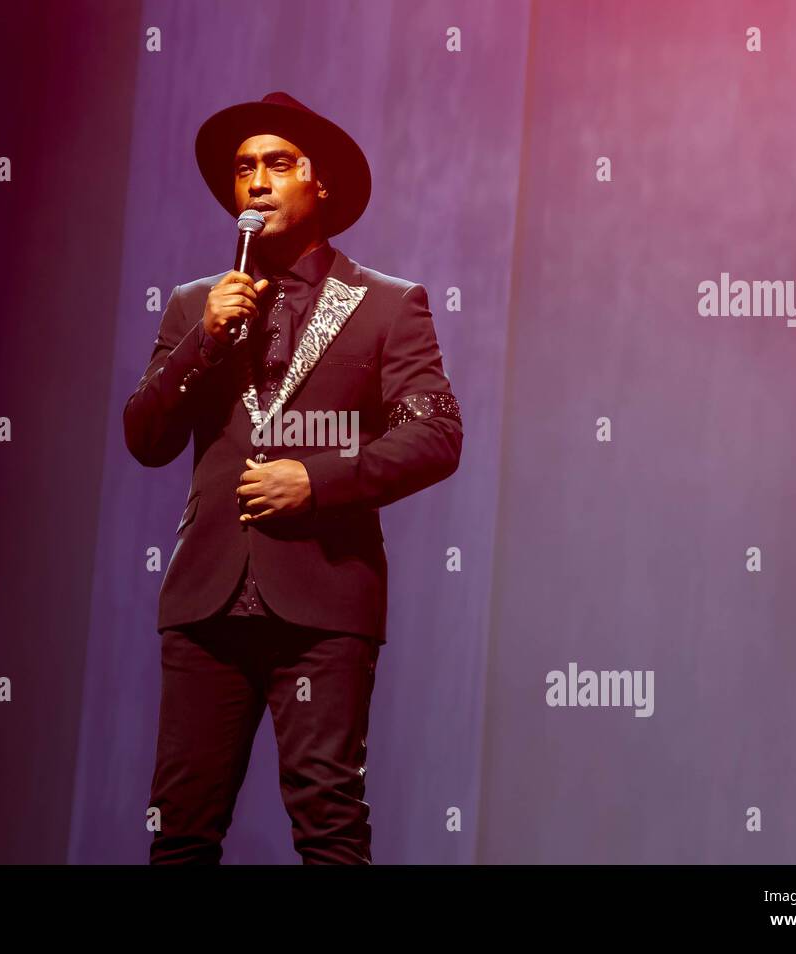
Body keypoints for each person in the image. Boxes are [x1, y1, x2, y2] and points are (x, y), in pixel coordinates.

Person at [123, 91, 463, 864]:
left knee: (330, 826)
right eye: (245, 169)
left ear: (323, 184)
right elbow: (145, 436)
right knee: (180, 830)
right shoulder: (192, 307)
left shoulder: (386, 305)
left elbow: (437, 433)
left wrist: (317, 482)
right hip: (208, 603)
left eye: (279, 164)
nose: (259, 182)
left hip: (323, 603)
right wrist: (202, 342)